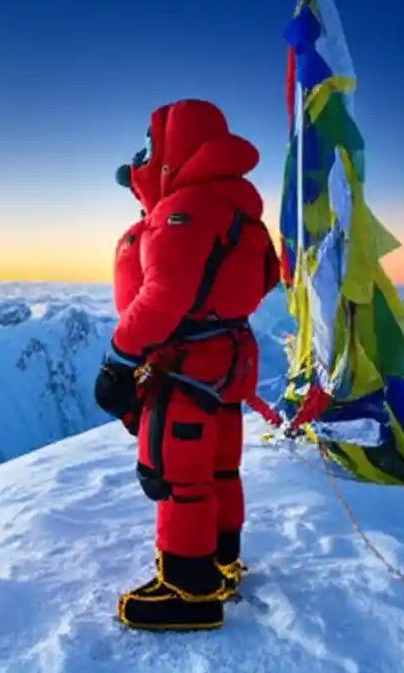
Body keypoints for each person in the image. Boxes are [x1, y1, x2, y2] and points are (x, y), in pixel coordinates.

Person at [95, 99, 280, 631]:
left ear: (176, 149)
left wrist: (120, 360)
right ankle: (221, 561)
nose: (145, 160)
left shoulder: (186, 212)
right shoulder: (239, 213)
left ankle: (188, 589)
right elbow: (262, 279)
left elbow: (163, 296)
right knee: (219, 468)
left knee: (177, 475)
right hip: (227, 362)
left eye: (153, 149)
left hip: (185, 367)